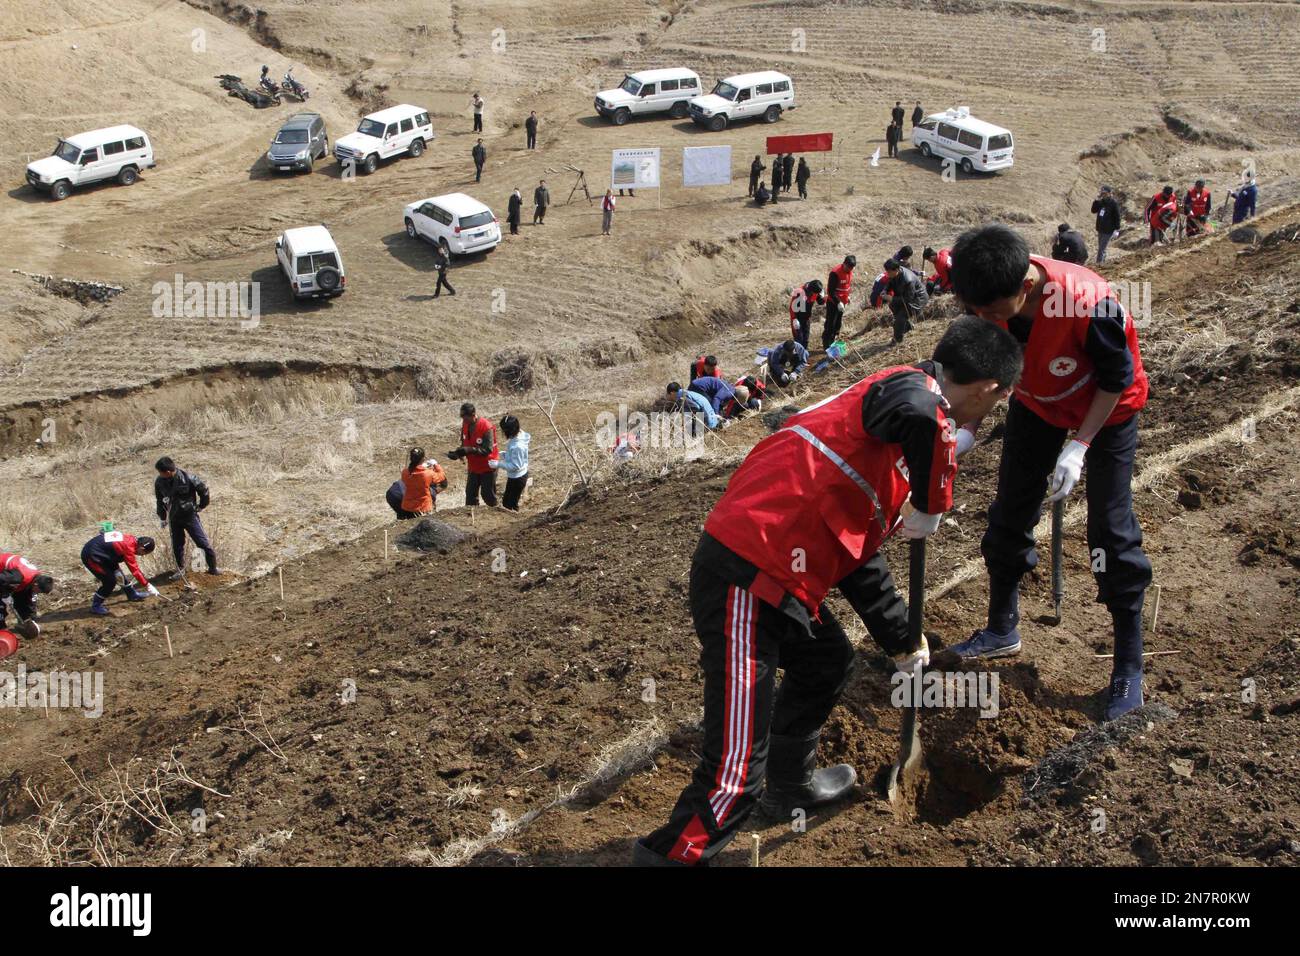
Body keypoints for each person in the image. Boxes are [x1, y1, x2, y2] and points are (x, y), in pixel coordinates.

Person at [632, 316, 1024, 865]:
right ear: (988, 389)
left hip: (779, 574)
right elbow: (921, 413)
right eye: (997, 403)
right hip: (747, 576)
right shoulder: (915, 403)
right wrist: (934, 502)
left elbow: (855, 553)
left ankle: (790, 788)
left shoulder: (885, 412)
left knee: (826, 660)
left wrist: (901, 640)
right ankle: (667, 859)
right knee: (735, 775)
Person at [946, 224, 1152, 721]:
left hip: (1108, 412)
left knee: (1110, 530)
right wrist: (968, 429)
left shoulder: (1089, 303)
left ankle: (1128, 666)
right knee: (1010, 510)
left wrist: (1079, 447)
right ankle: (1001, 629)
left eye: (993, 311)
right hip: (1037, 405)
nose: (984, 319)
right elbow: (986, 372)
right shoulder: (986, 294)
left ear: (1026, 288)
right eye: (977, 310)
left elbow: (1115, 380)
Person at [154, 457, 218, 575]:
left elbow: (204, 491)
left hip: (190, 516)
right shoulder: (159, 482)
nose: (160, 475)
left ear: (167, 472)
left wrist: (201, 506)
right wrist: (162, 517)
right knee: (177, 545)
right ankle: (180, 569)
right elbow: (159, 500)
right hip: (174, 518)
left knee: (202, 542)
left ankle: (213, 569)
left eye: (161, 472)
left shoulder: (189, 478)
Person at [81, 531, 158, 615]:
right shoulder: (128, 547)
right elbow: (135, 570)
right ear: (142, 548)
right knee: (110, 581)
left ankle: (132, 594)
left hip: (105, 554)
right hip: (92, 556)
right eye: (144, 553)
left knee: (118, 573)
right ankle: (96, 606)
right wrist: (147, 585)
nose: (142, 555)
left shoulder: (132, 540)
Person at [447, 403, 500, 506]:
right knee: (470, 495)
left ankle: (496, 513)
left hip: (488, 466)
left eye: (466, 418)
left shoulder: (486, 427)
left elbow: (488, 450)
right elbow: (465, 441)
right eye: (462, 418)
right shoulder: (465, 424)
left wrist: (469, 450)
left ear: (473, 414)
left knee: (487, 495)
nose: (464, 421)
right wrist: (458, 453)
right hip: (474, 467)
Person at [0, 552, 54, 639]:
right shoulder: (18, 576)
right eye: (39, 591)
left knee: (23, 597)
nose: (37, 593)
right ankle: (1, 629)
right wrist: (5, 595)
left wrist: (30, 620)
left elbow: (29, 601)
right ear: (36, 585)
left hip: (7, 576)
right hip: (3, 576)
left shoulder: (34, 579)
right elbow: (1, 580)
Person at [489, 415, 531, 511]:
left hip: (518, 478)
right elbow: (516, 458)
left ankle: (516, 521)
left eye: (504, 430)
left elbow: (516, 466)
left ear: (509, 431)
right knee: (506, 502)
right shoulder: (519, 435)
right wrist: (506, 455)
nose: (503, 433)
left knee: (510, 505)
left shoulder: (517, 446)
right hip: (515, 477)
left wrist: (498, 464)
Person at [883, 257, 928, 344]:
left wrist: (892, 298)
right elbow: (889, 283)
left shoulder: (908, 280)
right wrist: (885, 291)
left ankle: (897, 339)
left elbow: (908, 299)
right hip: (904, 296)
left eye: (889, 272)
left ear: (896, 270)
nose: (887, 274)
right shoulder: (894, 273)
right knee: (893, 306)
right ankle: (907, 326)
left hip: (917, 299)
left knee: (900, 318)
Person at [397, 448, 447, 518]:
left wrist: (422, 467)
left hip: (407, 507)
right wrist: (436, 465)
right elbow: (441, 476)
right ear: (423, 459)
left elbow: (413, 474)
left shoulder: (405, 472)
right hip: (423, 508)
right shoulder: (427, 473)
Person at [824, 255, 856, 350]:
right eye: (848, 267)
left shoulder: (849, 271)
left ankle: (834, 340)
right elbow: (831, 291)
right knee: (831, 324)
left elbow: (846, 285)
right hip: (833, 303)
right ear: (844, 264)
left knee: (838, 323)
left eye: (852, 268)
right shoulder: (835, 273)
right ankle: (827, 344)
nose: (850, 269)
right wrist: (838, 302)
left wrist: (847, 296)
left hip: (843, 302)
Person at [789, 278, 825, 349]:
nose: (814, 295)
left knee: (805, 339)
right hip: (797, 318)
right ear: (810, 290)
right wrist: (794, 319)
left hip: (807, 318)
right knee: (799, 339)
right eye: (814, 293)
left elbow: (821, 302)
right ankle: (797, 356)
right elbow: (792, 307)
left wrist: (823, 297)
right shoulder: (799, 292)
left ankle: (804, 353)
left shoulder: (816, 291)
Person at [1091, 185, 1121, 264]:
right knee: (1102, 247)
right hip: (1100, 228)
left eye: (1105, 194)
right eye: (1102, 193)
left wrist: (1117, 229)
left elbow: (1117, 216)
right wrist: (1096, 201)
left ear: (1110, 193)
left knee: (1101, 248)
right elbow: (1093, 210)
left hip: (1108, 230)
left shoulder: (1113, 203)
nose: (1103, 195)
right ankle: (1102, 262)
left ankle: (1098, 263)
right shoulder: (1101, 202)